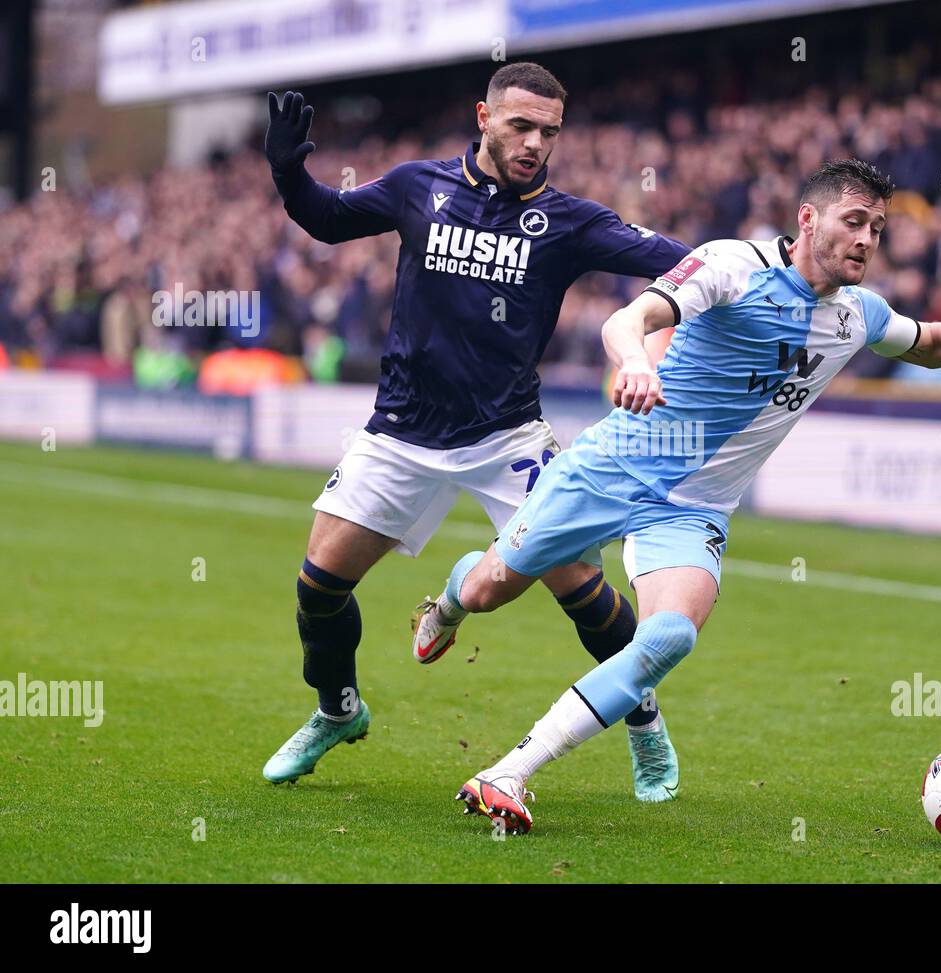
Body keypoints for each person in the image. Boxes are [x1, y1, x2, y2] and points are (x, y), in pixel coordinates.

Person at [418, 159, 941, 832]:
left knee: (670, 635)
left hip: (694, 508)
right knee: (488, 588)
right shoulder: (732, 266)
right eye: (854, 221)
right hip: (613, 468)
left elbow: (931, 343)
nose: (866, 240)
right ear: (808, 219)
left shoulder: (856, 314)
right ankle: (448, 600)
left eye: (878, 229)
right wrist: (639, 360)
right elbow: (630, 317)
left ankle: (509, 772)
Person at [260, 63, 693, 803]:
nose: (533, 143)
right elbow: (329, 219)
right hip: (401, 429)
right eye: (520, 125)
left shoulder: (569, 220)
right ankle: (338, 709)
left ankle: (642, 714)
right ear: (483, 117)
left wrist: (771, 266)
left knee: (580, 587)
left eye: (548, 132)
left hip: (507, 437)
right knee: (318, 587)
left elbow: (684, 264)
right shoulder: (415, 186)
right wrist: (288, 168)